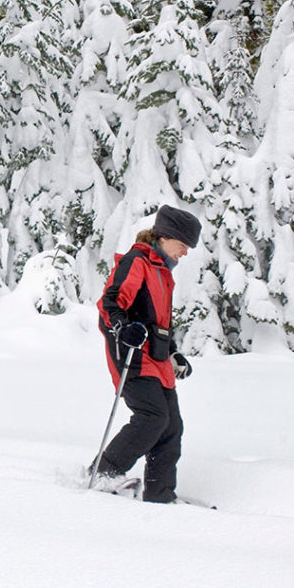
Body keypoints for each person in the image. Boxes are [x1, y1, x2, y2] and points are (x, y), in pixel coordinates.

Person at [92, 205, 202, 503]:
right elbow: (110, 303)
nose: (186, 252)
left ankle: (160, 495)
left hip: (158, 359)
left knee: (171, 426)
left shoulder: (162, 271)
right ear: (166, 237)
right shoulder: (137, 261)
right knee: (152, 417)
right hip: (133, 356)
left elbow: (158, 322)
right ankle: (103, 474)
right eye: (184, 245)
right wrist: (122, 328)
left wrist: (174, 353)